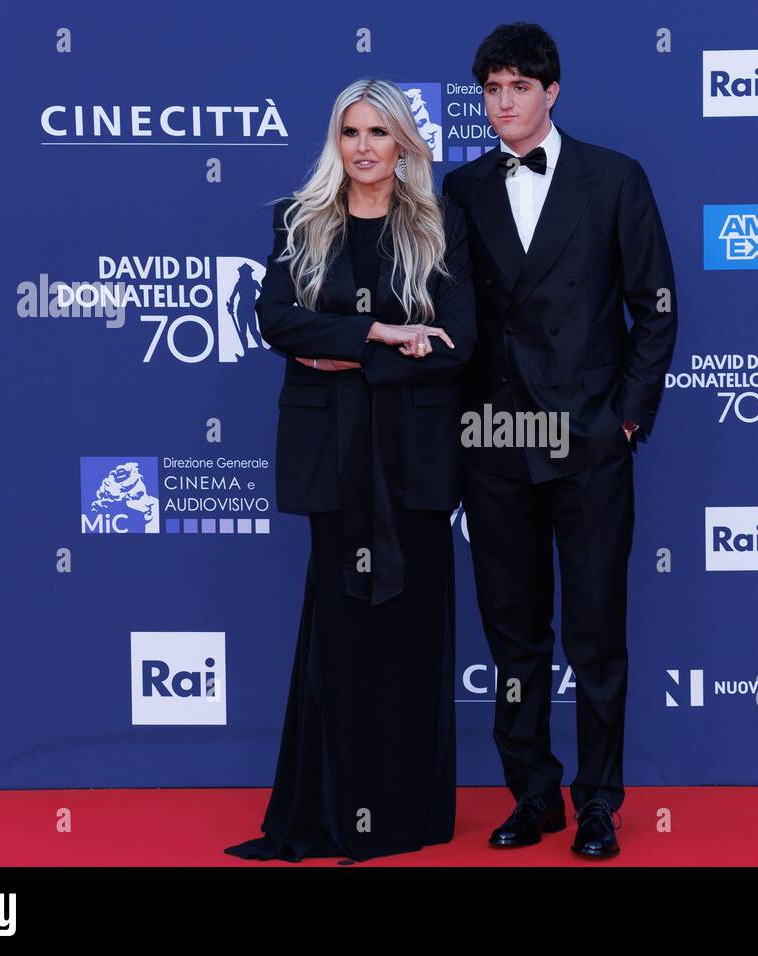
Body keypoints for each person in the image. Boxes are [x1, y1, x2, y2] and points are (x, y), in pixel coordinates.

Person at [224, 77, 476, 863]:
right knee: (340, 631)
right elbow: (276, 320)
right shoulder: (298, 222)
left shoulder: (442, 224)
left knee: (412, 631)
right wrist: (382, 331)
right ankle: (331, 808)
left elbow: (457, 341)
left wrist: (349, 350)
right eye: (349, 132)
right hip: (332, 454)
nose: (364, 147)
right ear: (335, 142)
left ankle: (408, 812)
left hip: (416, 456)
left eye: (378, 132)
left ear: (405, 141)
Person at [443, 22, 678, 858]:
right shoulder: (459, 188)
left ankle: (601, 803)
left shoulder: (614, 179)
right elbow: (449, 312)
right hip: (496, 441)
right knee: (513, 633)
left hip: (587, 442)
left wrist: (624, 419)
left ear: (552, 92)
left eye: (518, 87)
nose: (503, 102)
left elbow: (655, 309)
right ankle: (533, 794)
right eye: (491, 89)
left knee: (596, 631)